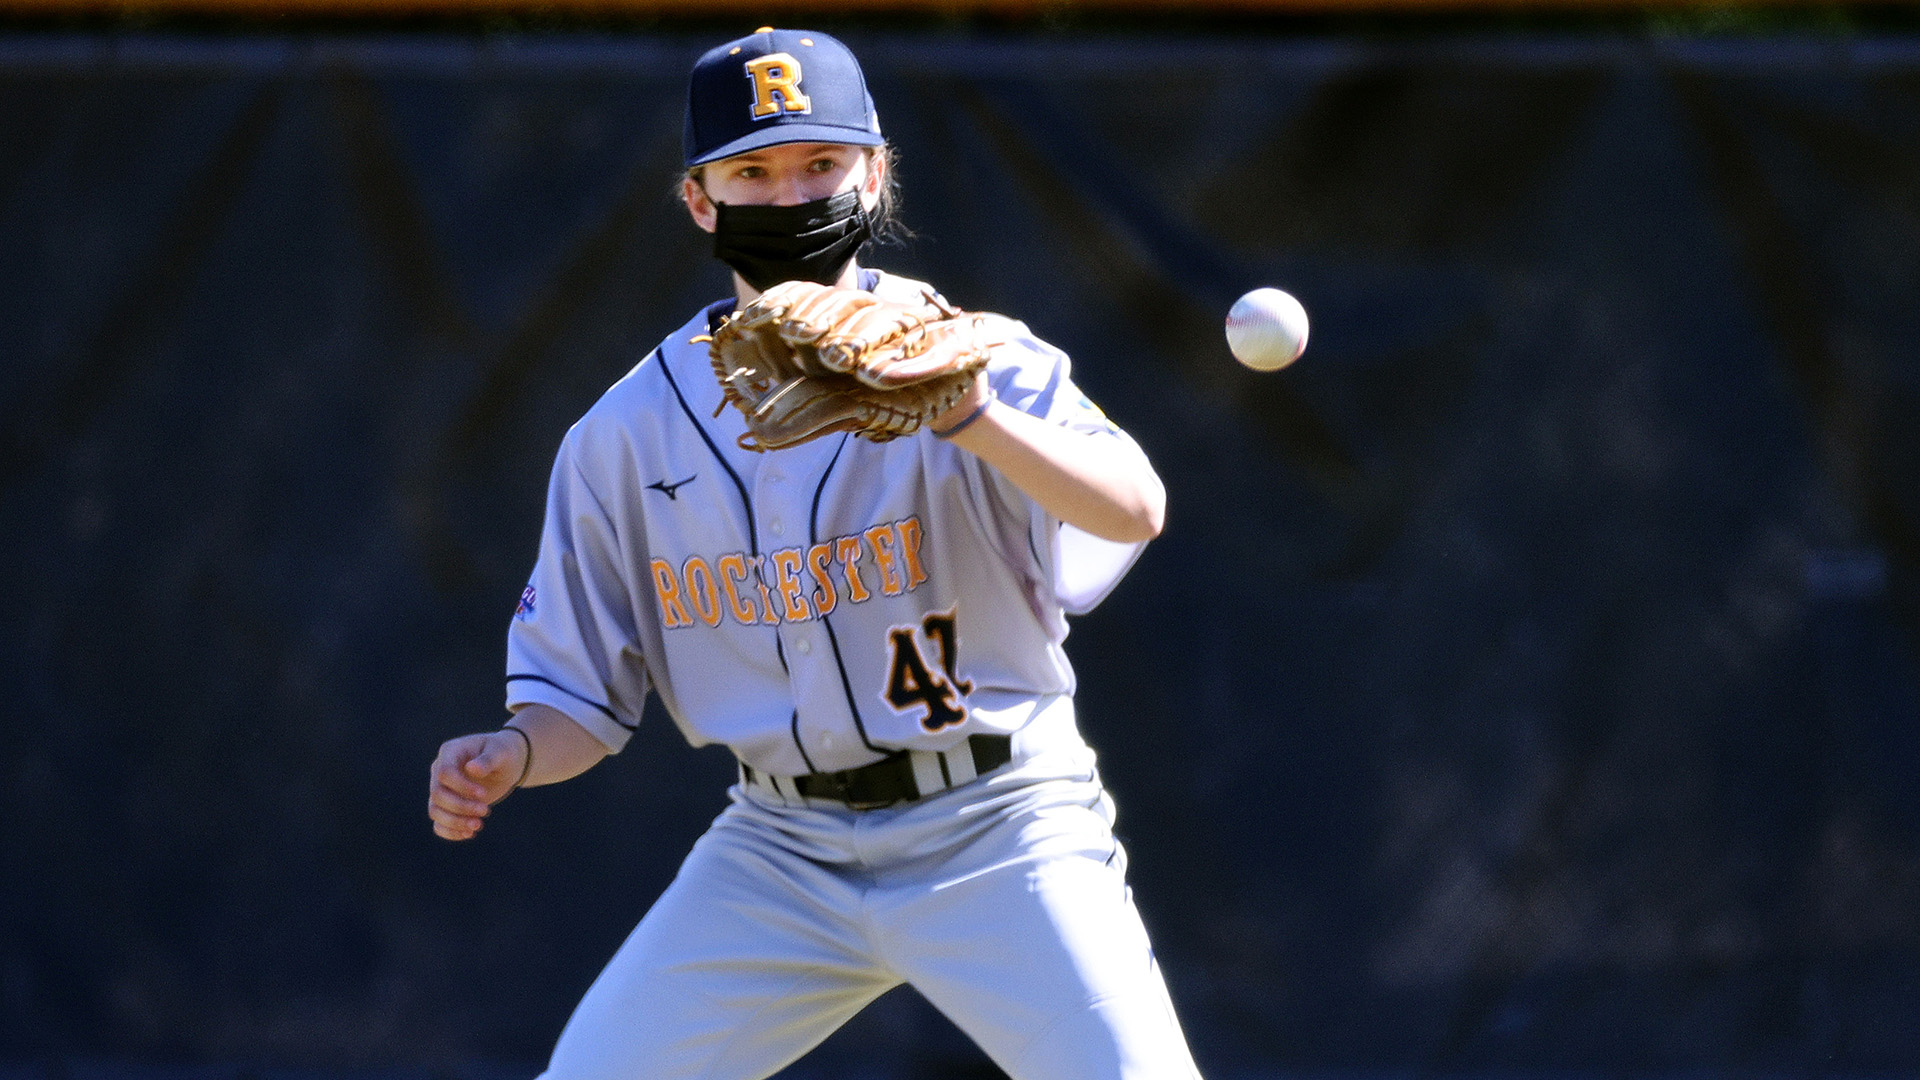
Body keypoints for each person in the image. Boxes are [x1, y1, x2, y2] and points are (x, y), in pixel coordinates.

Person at [427, 27, 1202, 1080]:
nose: (790, 195)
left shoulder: (978, 359)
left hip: (1002, 826)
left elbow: (1134, 508)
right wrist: (515, 753)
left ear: (873, 175)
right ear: (699, 199)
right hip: (779, 852)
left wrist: (971, 417)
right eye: (752, 170)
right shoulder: (627, 435)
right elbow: (577, 702)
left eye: (818, 163)